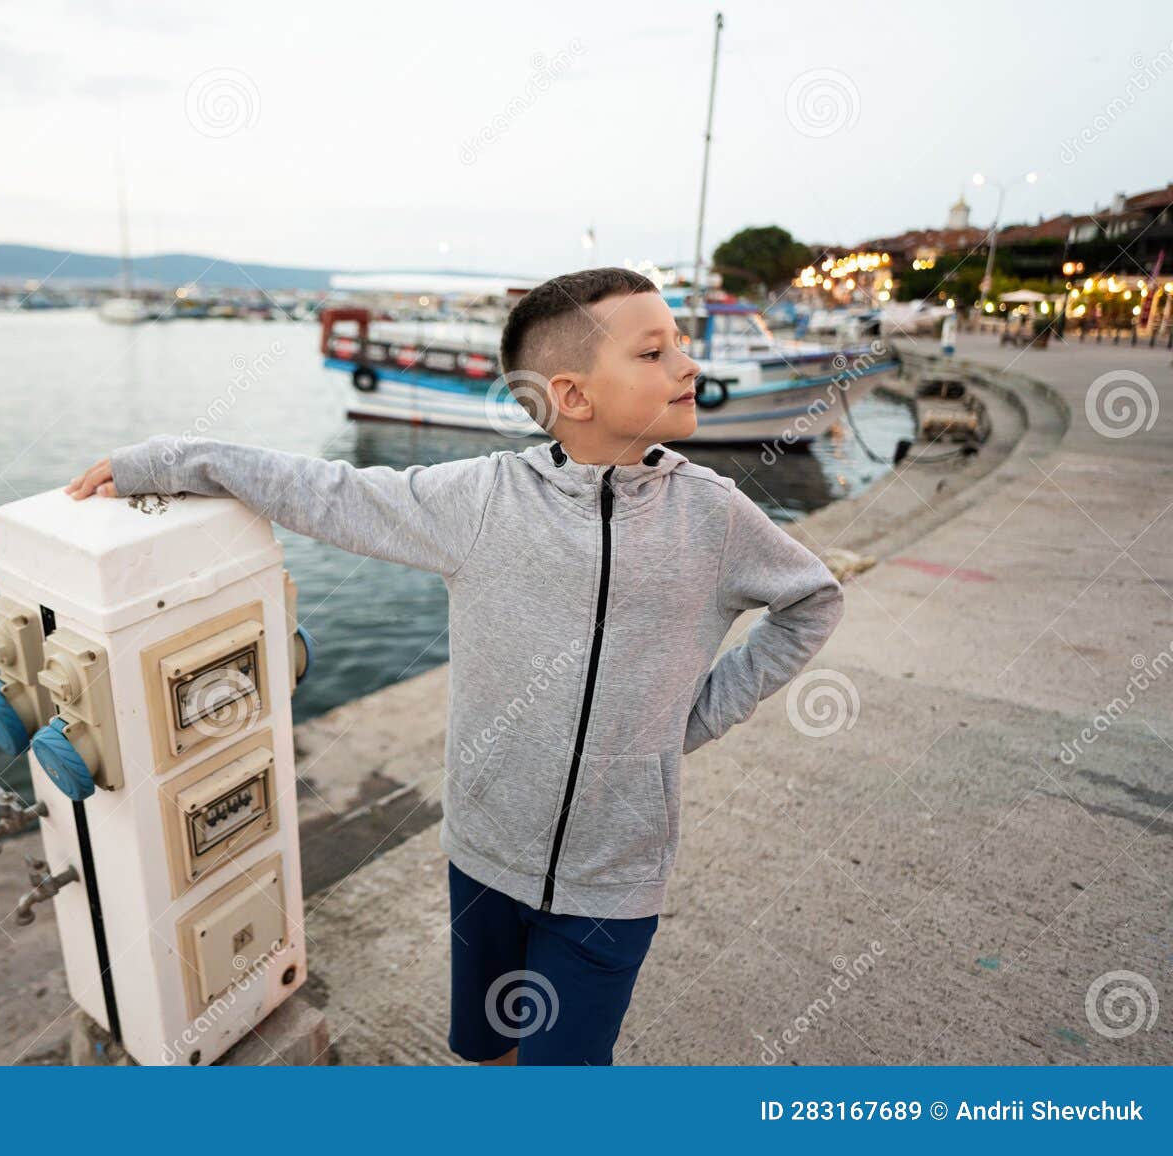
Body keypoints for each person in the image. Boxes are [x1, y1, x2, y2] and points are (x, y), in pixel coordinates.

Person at [64, 267, 845, 1065]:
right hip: (482, 854)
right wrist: (169, 461)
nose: (688, 365)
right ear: (572, 397)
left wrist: (696, 714)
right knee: (483, 1050)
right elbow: (328, 492)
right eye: (654, 352)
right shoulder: (481, 502)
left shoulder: (712, 516)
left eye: (679, 344)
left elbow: (811, 600)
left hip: (616, 877)